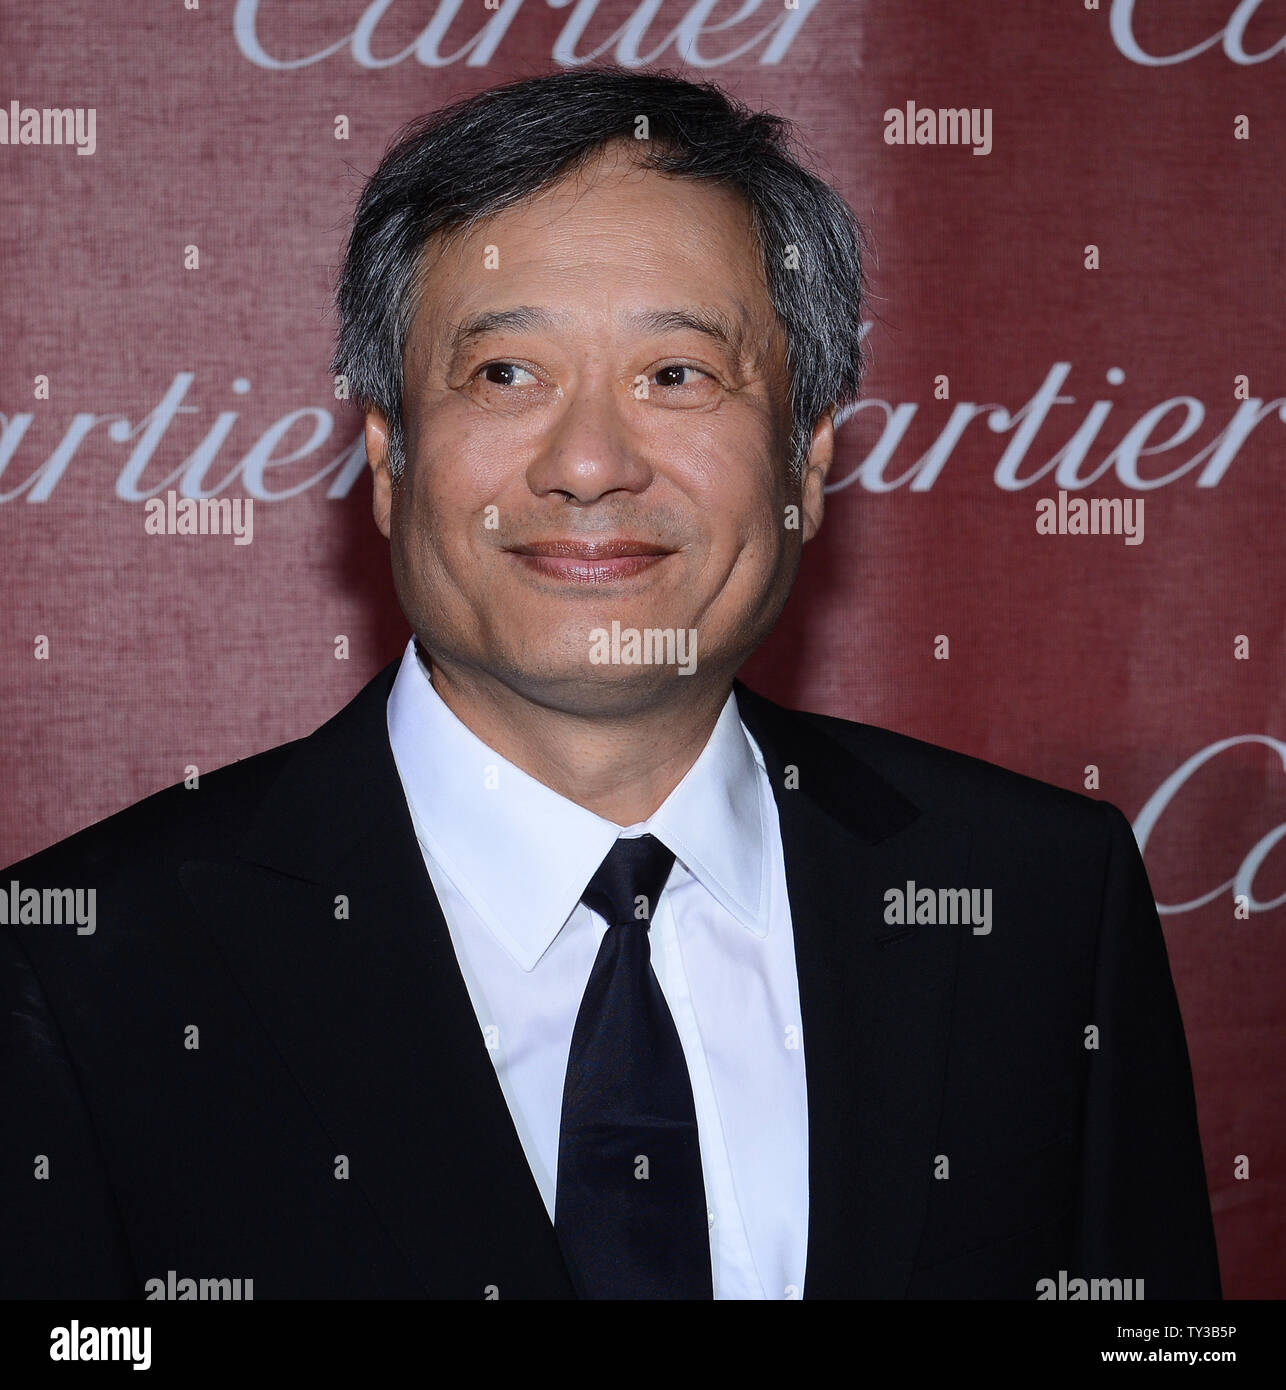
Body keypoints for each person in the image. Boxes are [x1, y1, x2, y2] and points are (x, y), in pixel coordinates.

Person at [0, 66, 1219, 1300]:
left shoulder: (1038, 902)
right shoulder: (82, 966)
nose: (588, 464)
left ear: (804, 463)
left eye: (676, 374)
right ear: (386, 459)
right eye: (505, 374)